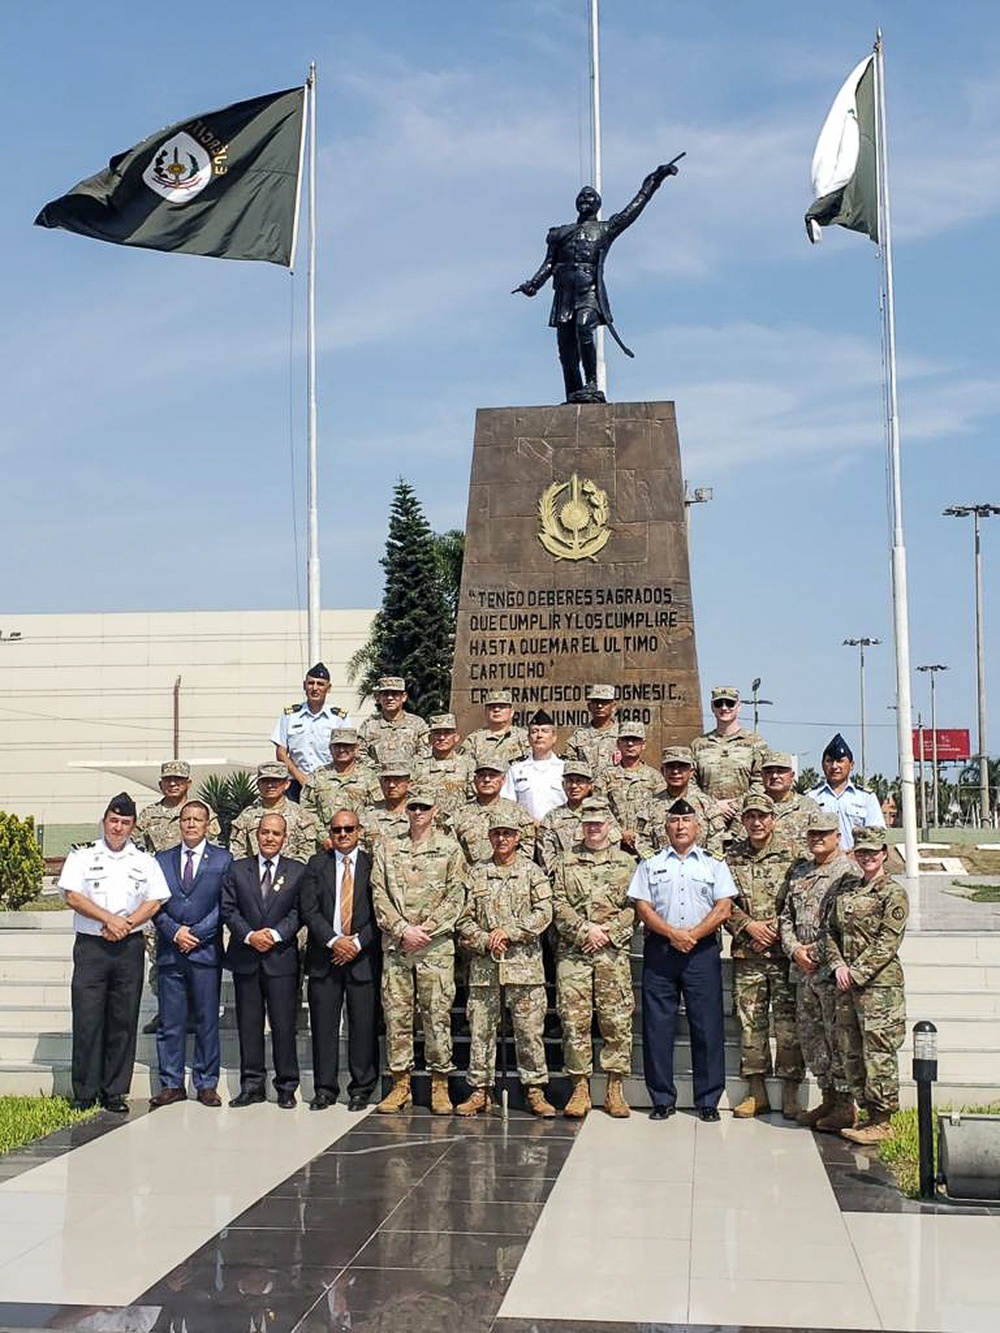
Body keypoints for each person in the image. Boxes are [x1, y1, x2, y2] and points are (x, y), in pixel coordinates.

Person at [514, 163, 680, 403]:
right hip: (564, 294)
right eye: (581, 196)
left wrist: (655, 179)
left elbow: (634, 208)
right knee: (567, 350)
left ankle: (591, 384)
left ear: (598, 203)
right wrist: (534, 284)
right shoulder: (560, 233)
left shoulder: (605, 228)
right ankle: (574, 391)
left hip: (588, 293)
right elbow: (549, 263)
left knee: (584, 329)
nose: (585, 199)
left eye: (590, 196)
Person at [58, 793, 170, 1112]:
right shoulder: (83, 855)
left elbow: (156, 899)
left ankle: (114, 1091)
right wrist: (109, 919)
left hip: (129, 947)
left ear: (133, 826)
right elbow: (72, 896)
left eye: (125, 823)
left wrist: (127, 923)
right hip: (92, 946)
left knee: (123, 1018)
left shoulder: (144, 860)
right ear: (104, 821)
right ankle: (84, 1091)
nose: (118, 828)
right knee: (87, 1018)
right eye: (113, 821)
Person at [627, 798, 736, 1121]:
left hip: (701, 951)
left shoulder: (714, 863)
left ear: (697, 827)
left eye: (686, 821)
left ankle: (707, 1099)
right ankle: (661, 1098)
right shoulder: (650, 863)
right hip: (661, 949)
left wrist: (694, 934)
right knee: (657, 1027)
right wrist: (673, 934)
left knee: (707, 1026)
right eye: (674, 821)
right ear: (666, 828)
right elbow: (643, 907)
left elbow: (724, 907)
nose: (680, 826)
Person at [370, 789, 466, 1115]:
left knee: (436, 1017)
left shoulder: (450, 849)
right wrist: (402, 929)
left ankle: (440, 1083)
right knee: (397, 1017)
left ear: (435, 809)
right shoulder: (387, 846)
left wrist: (426, 930)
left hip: (434, 948)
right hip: (398, 946)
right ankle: (401, 1085)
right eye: (413, 806)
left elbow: (457, 896)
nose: (418, 812)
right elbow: (378, 893)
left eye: (424, 806)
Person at [455, 814, 556, 1118]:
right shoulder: (477, 873)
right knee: (481, 1031)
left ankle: (535, 1090)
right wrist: (486, 938)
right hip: (485, 968)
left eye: (507, 834)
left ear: (517, 838)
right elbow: (462, 918)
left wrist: (509, 933)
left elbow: (544, 912)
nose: (502, 839)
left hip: (524, 968)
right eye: (496, 834)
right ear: (489, 837)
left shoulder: (531, 872)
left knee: (529, 1032)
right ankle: (480, 1090)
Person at [779, 809, 864, 1132]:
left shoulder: (848, 873)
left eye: (824, 834)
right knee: (812, 1038)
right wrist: (794, 949)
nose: (817, 838)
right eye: (812, 834)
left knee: (837, 1037)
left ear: (837, 837)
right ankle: (828, 1098)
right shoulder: (800, 871)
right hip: (802, 970)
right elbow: (786, 915)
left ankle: (845, 1105)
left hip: (830, 970)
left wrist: (815, 951)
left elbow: (845, 923)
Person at [552, 798, 637, 1119]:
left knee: (615, 1020)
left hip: (612, 953)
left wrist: (608, 933)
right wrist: (584, 930)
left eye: (598, 823)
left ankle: (615, 1088)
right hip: (574, 953)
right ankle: (580, 1087)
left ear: (609, 827)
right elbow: (557, 904)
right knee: (574, 1021)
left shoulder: (626, 864)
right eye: (587, 822)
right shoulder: (564, 862)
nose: (592, 828)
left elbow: (635, 908)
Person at [825, 825, 908, 1145]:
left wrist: (856, 972)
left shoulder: (893, 892)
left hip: (879, 989)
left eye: (873, 852)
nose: (868, 857)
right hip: (847, 984)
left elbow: (888, 942)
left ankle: (883, 1120)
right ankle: (865, 1114)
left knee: (879, 1053)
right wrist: (838, 966)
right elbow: (830, 932)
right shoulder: (847, 890)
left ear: (884, 854)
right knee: (852, 1050)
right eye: (862, 852)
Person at [724, 794, 803, 1120]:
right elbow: (723, 903)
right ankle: (756, 1091)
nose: (757, 822)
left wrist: (774, 928)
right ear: (743, 820)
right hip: (748, 953)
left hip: (783, 954)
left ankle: (790, 1092)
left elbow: (801, 900)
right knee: (751, 1023)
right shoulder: (731, 858)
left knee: (787, 1025)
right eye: (750, 817)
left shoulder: (793, 856)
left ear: (773, 818)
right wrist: (749, 927)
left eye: (763, 816)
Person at [150, 801, 233, 1109]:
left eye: (198, 819)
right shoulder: (162, 860)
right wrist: (174, 932)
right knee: (170, 1022)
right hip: (171, 952)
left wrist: (196, 934)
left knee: (206, 1020)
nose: (191, 824)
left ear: (208, 824)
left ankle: (206, 1083)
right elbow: (154, 905)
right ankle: (171, 1084)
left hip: (205, 952)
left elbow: (224, 905)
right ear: (179, 823)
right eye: (186, 819)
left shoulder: (223, 859)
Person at [221, 813, 306, 1108]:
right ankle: (252, 1085)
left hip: (280, 959)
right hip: (247, 958)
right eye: (265, 832)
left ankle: (286, 1086)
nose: (270, 838)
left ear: (285, 838)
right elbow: (229, 909)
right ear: (256, 835)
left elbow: (299, 912)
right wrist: (249, 936)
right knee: (249, 1025)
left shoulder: (297, 871)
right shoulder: (237, 869)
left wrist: (273, 934)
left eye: (276, 834)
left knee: (284, 1026)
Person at [299, 809, 381, 1111]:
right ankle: (325, 1088)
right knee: (323, 1026)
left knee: (363, 1025)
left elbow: (380, 911)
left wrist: (357, 943)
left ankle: (361, 1088)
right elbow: (309, 909)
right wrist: (335, 941)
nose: (343, 835)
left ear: (358, 831)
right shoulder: (316, 864)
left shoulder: (373, 865)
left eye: (348, 829)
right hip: (325, 956)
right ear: (329, 834)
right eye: (337, 830)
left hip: (363, 957)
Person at [134, 759, 220, 1034]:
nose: (173, 783)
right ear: (160, 783)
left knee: (197, 954)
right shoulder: (148, 815)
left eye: (179, 780)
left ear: (188, 783)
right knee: (158, 953)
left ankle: (195, 1012)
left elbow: (214, 851)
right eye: (168, 779)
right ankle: (166, 1012)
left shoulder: (202, 813)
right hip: (161, 898)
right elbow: (135, 852)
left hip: (198, 897)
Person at [271, 662, 352, 798]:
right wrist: (300, 777)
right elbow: (281, 752)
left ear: (328, 688)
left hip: (330, 783)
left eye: (320, 684)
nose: (315, 688)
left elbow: (348, 752)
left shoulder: (339, 718)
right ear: (304, 685)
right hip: (295, 784)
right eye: (311, 683)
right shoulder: (290, 715)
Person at [691, 686, 767, 827]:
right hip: (708, 819)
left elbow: (761, 781)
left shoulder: (755, 743)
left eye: (730, 703)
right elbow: (690, 782)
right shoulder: (698, 744)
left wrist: (735, 805)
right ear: (712, 707)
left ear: (738, 707)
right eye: (719, 703)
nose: (724, 708)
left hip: (746, 820)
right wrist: (713, 805)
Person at [537, 759, 622, 876]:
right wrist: (566, 874)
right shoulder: (551, 818)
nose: (574, 786)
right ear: (563, 785)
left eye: (579, 781)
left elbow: (614, 847)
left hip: (599, 880)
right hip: (564, 881)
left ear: (589, 786)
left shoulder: (603, 814)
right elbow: (545, 856)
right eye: (570, 781)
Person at [641, 745, 726, 857]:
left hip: (699, 868)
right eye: (670, 767)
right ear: (662, 771)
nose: (676, 771)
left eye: (681, 767)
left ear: (691, 772)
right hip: (661, 870)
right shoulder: (650, 806)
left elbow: (716, 842)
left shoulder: (706, 805)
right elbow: (642, 842)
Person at [300, 729, 380, 844]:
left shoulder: (369, 777)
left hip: (361, 843)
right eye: (337, 746)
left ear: (356, 748)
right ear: (330, 749)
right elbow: (307, 809)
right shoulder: (317, 776)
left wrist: (358, 834)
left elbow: (376, 808)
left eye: (346, 746)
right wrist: (323, 836)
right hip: (326, 845)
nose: (341, 750)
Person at [228, 762, 320, 861]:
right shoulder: (247, 816)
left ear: (286, 784)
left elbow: (308, 852)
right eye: (265, 781)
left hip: (292, 874)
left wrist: (290, 870)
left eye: (275, 781)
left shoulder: (301, 815)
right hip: (253, 873)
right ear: (258, 785)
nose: (270, 785)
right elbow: (237, 851)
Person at [808, 733, 885, 850]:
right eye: (829, 761)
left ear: (851, 765)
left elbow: (876, 835)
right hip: (821, 863)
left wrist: (852, 856)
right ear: (822, 765)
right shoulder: (811, 797)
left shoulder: (866, 797)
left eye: (840, 761)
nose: (834, 766)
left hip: (858, 861)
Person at [452, 760, 536, 865]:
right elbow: (452, 851)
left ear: (503, 780)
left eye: (492, 776)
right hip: (471, 876)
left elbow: (528, 844)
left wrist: (512, 867)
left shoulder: (517, 812)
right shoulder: (460, 814)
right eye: (482, 776)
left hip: (509, 876)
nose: (487, 780)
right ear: (474, 780)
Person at [598, 721, 662, 853]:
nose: (630, 744)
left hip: (646, 845)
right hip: (612, 845)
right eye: (626, 739)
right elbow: (599, 807)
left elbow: (660, 811)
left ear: (643, 745)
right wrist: (620, 833)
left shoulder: (655, 778)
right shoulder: (606, 776)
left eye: (635, 740)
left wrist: (639, 836)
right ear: (618, 744)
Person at [501, 710, 566, 821]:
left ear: (554, 737)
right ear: (529, 738)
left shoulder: (565, 768)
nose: (539, 735)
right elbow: (508, 804)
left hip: (560, 831)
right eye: (535, 731)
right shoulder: (516, 769)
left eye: (545, 731)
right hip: (526, 832)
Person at [357, 676, 430, 765]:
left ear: (403, 697)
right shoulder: (368, 725)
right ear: (378, 698)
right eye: (385, 694)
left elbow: (426, 752)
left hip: (410, 776)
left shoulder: (417, 724)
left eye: (395, 694)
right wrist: (375, 769)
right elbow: (359, 753)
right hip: (378, 776)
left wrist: (410, 770)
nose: (390, 698)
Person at [761, 750, 821, 854]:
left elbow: (822, 842)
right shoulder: (751, 807)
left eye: (780, 771)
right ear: (762, 776)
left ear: (792, 775)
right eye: (769, 772)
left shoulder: (809, 807)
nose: (774, 776)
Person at [458, 689, 529, 771]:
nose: (496, 710)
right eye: (492, 707)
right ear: (486, 712)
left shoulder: (524, 737)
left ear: (512, 712)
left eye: (502, 707)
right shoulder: (474, 740)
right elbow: (464, 770)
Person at [420, 713, 475, 814]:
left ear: (456, 737)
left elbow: (473, 800)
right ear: (429, 738)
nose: (441, 737)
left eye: (447, 733)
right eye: (437, 733)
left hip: (457, 825)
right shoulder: (418, 766)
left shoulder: (468, 765)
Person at [563, 685, 621, 773]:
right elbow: (570, 766)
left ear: (613, 706)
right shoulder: (579, 736)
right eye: (595, 702)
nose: (599, 706)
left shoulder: (623, 734)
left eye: (604, 702)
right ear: (589, 706)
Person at [358, 762, 414, 852]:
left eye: (397, 780)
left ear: (409, 784)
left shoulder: (420, 813)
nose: (391, 785)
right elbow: (359, 850)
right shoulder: (368, 815)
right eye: (387, 780)